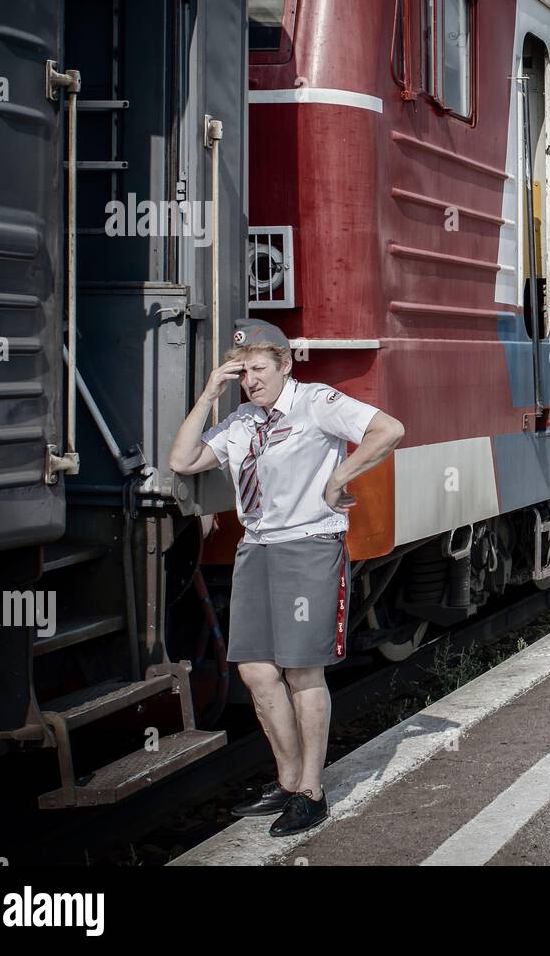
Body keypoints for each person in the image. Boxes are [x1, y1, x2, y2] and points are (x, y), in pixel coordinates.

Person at [169, 319, 404, 836]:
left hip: (309, 547)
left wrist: (340, 476)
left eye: (258, 369)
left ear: (284, 365)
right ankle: (287, 778)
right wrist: (210, 392)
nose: (250, 380)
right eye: (242, 372)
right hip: (256, 550)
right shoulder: (240, 422)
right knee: (254, 670)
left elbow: (388, 429)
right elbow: (182, 459)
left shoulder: (316, 402)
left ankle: (312, 792)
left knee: (301, 671)